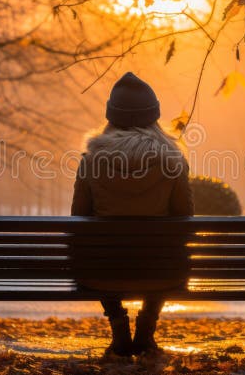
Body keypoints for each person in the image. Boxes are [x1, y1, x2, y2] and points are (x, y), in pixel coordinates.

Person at [71, 72, 194, 357]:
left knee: (98, 251)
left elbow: (78, 220)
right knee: (167, 249)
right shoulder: (173, 162)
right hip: (162, 274)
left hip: (102, 275)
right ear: (154, 118)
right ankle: (146, 329)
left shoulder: (90, 163)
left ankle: (118, 326)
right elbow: (184, 219)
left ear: (112, 117)